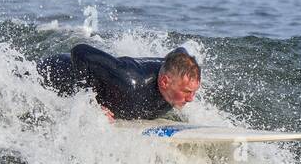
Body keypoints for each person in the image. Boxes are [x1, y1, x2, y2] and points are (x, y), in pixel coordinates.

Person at [35, 44, 201, 121]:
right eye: (187, 91)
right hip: (54, 74)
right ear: (165, 82)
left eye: (194, 92)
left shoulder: (176, 72)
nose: (191, 98)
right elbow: (80, 52)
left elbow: (180, 51)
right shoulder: (131, 82)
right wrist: (88, 101)